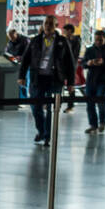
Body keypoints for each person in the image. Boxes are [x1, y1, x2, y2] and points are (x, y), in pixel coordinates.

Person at [17, 14, 77, 144]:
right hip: (37, 78)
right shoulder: (35, 40)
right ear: (43, 25)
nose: (48, 26)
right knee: (35, 107)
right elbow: (26, 59)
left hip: (55, 79)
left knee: (51, 108)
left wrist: (71, 83)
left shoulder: (63, 41)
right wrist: (21, 76)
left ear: (56, 26)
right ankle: (41, 130)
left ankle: (48, 136)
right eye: (46, 23)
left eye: (51, 23)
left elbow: (70, 63)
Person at [81, 29, 105, 134]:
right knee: (90, 104)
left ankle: (102, 122)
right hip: (91, 80)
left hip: (103, 80)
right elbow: (83, 63)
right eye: (96, 40)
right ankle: (93, 125)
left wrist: (104, 63)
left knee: (101, 102)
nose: (98, 42)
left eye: (100, 40)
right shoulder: (90, 50)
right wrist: (89, 63)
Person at [62, 23, 83, 112]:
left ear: (70, 31)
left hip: (71, 65)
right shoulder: (64, 40)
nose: (64, 32)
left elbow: (74, 54)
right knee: (60, 84)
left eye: (65, 30)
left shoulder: (76, 41)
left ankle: (70, 106)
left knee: (71, 86)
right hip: (63, 65)